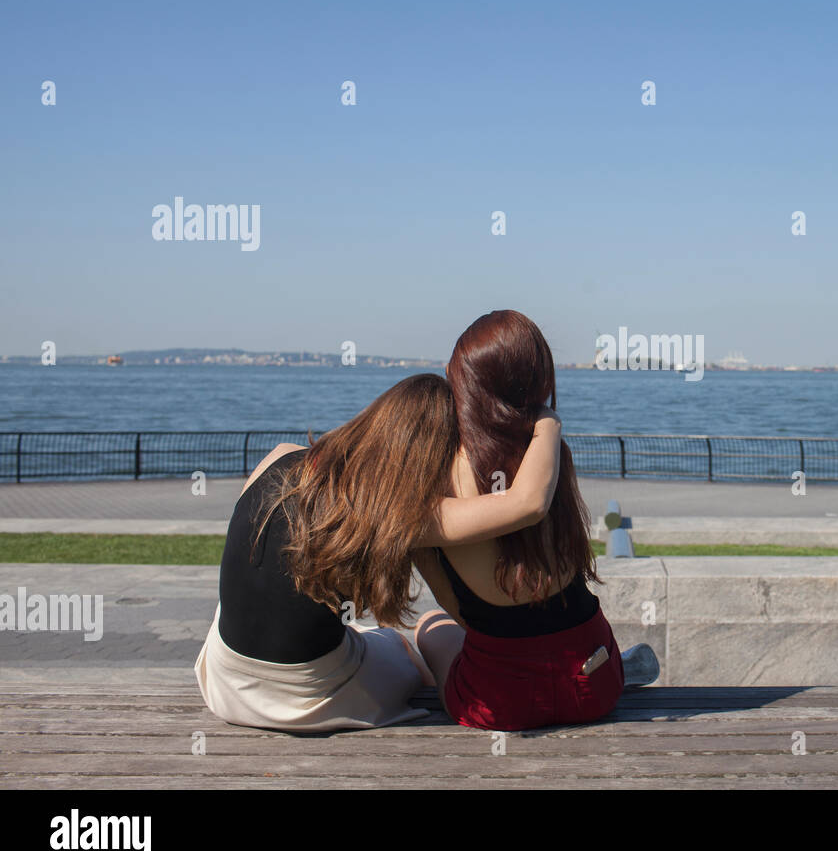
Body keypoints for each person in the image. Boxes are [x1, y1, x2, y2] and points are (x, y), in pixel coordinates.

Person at [194, 372, 562, 733]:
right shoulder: (400, 517)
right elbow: (527, 503)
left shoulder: (279, 457)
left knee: (356, 632)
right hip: (307, 699)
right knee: (404, 641)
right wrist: (547, 420)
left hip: (224, 679)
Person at [413, 310, 627, 731]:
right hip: (594, 686)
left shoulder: (436, 475)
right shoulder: (550, 462)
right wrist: (548, 422)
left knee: (429, 626)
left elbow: (456, 610)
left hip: (499, 702)